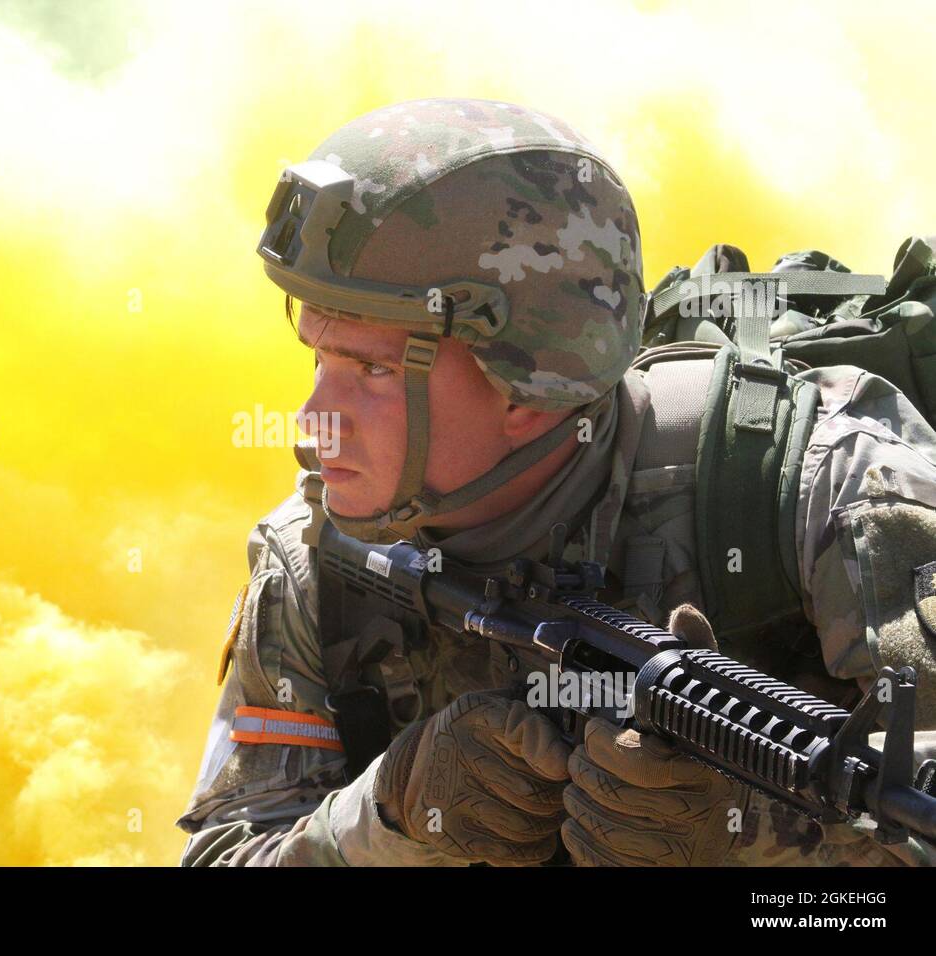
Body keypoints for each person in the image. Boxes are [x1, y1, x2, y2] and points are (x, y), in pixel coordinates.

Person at [176, 98, 936, 866]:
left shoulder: (830, 497)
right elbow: (228, 849)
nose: (313, 422)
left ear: (527, 388)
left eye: (371, 370)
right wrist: (386, 819)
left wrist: (753, 838)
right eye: (319, 357)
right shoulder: (319, 558)